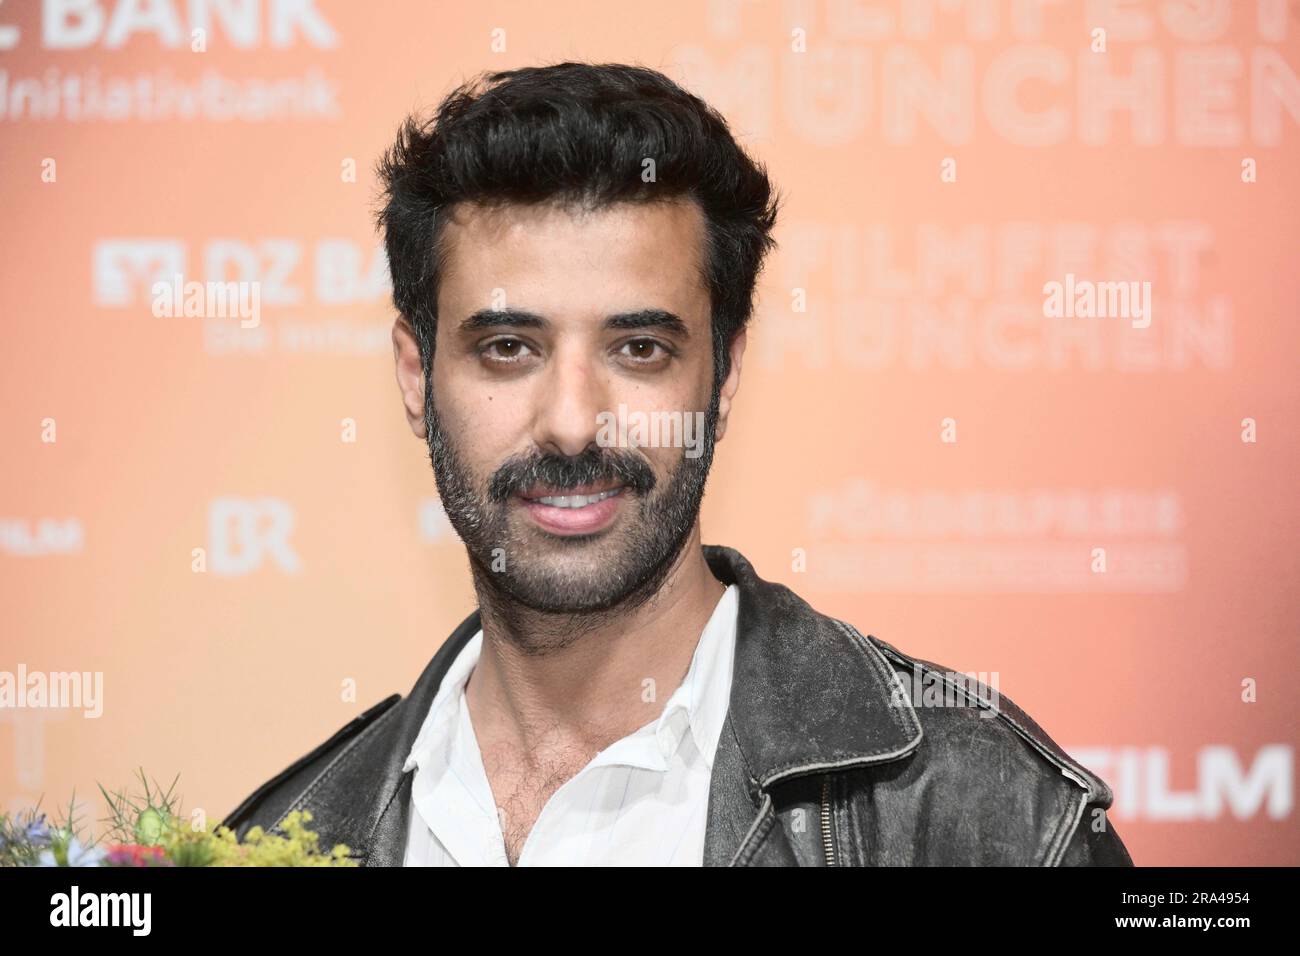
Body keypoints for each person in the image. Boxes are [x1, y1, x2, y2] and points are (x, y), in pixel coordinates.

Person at [222, 62, 1133, 867]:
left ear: (725, 373)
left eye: (640, 351)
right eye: (507, 347)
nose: (573, 426)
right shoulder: (291, 837)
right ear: (417, 377)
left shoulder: (978, 816)